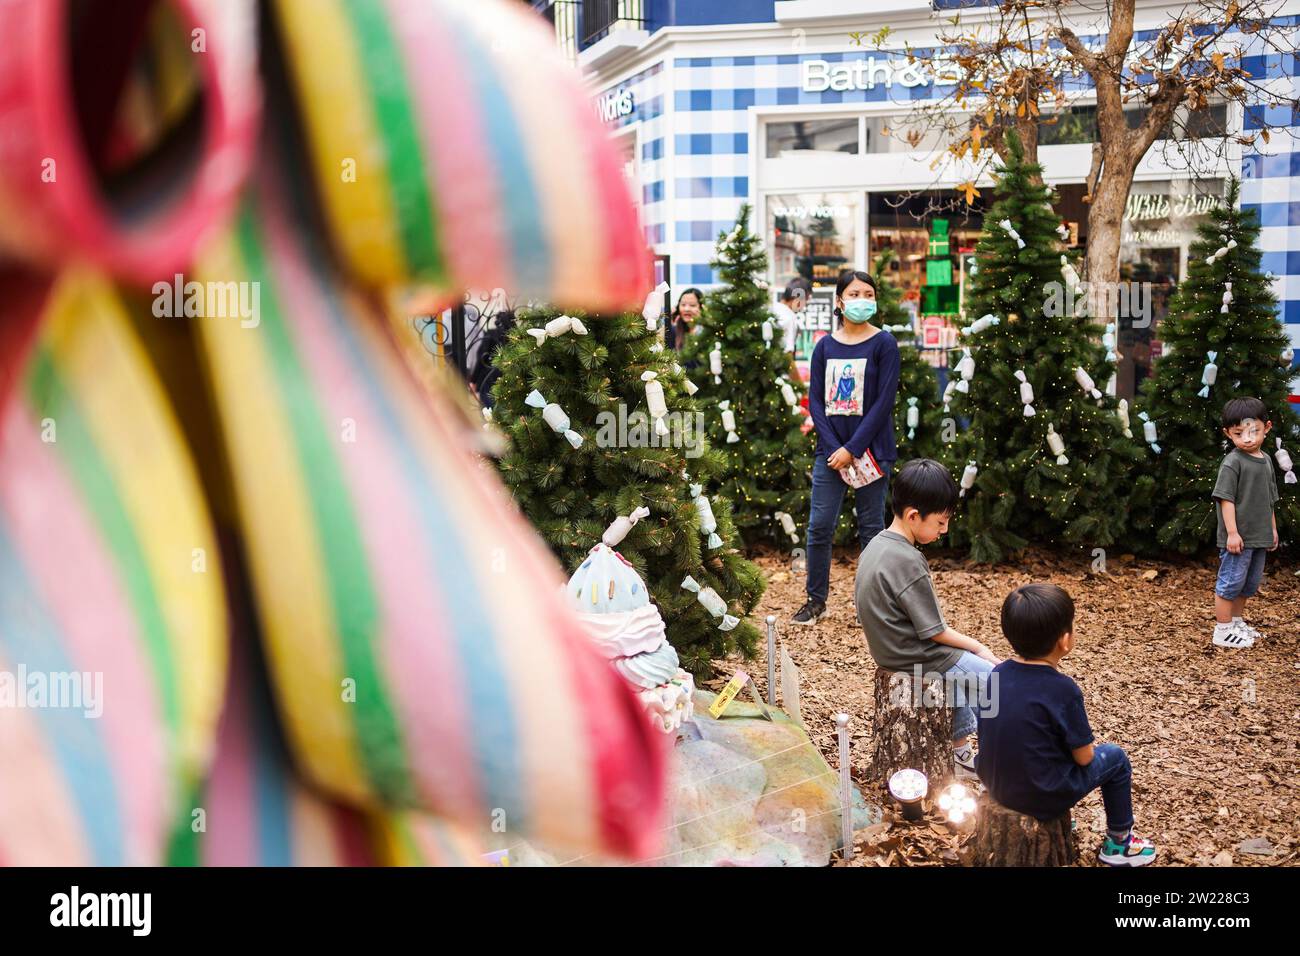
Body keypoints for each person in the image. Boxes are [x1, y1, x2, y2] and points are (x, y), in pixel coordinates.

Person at [977, 583, 1158, 867]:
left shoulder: (996, 674)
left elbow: (991, 729)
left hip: (995, 783)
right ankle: (1120, 841)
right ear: (1064, 640)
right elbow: (1084, 757)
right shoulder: (1063, 689)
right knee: (1116, 759)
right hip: (1043, 795)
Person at [854, 459, 999, 777]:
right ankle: (996, 767)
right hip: (917, 654)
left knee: (962, 681)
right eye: (941, 522)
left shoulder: (876, 546)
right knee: (998, 684)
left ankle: (961, 753)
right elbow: (935, 632)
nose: (944, 530)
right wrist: (978, 646)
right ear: (913, 516)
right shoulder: (909, 560)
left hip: (890, 651)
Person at [792, 269, 900, 626]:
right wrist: (833, 447)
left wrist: (852, 449)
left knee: (871, 529)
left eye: (868, 294)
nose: (862, 300)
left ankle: (871, 606)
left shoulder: (884, 343)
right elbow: (817, 402)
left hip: (870, 452)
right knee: (820, 527)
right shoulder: (825, 346)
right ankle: (815, 601)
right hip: (831, 454)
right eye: (854, 294)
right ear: (839, 301)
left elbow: (883, 402)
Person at [1210, 396, 1281, 648]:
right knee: (1230, 582)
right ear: (1228, 433)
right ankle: (1223, 629)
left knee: (1248, 584)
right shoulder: (1232, 463)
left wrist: (1271, 529)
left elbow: (1269, 499)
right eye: (1239, 433)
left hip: (1258, 536)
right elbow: (1225, 499)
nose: (1247, 439)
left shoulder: (1267, 461)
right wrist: (1232, 533)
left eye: (1254, 431)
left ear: (1267, 427)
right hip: (1238, 538)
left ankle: (1236, 622)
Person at [771, 277, 812, 354]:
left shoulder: (772, 308)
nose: (805, 305)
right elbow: (788, 352)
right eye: (805, 300)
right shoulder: (789, 318)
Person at [667, 288, 704, 352]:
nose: (686, 309)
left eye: (692, 305)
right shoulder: (673, 330)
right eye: (683, 305)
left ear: (701, 307)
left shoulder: (707, 331)